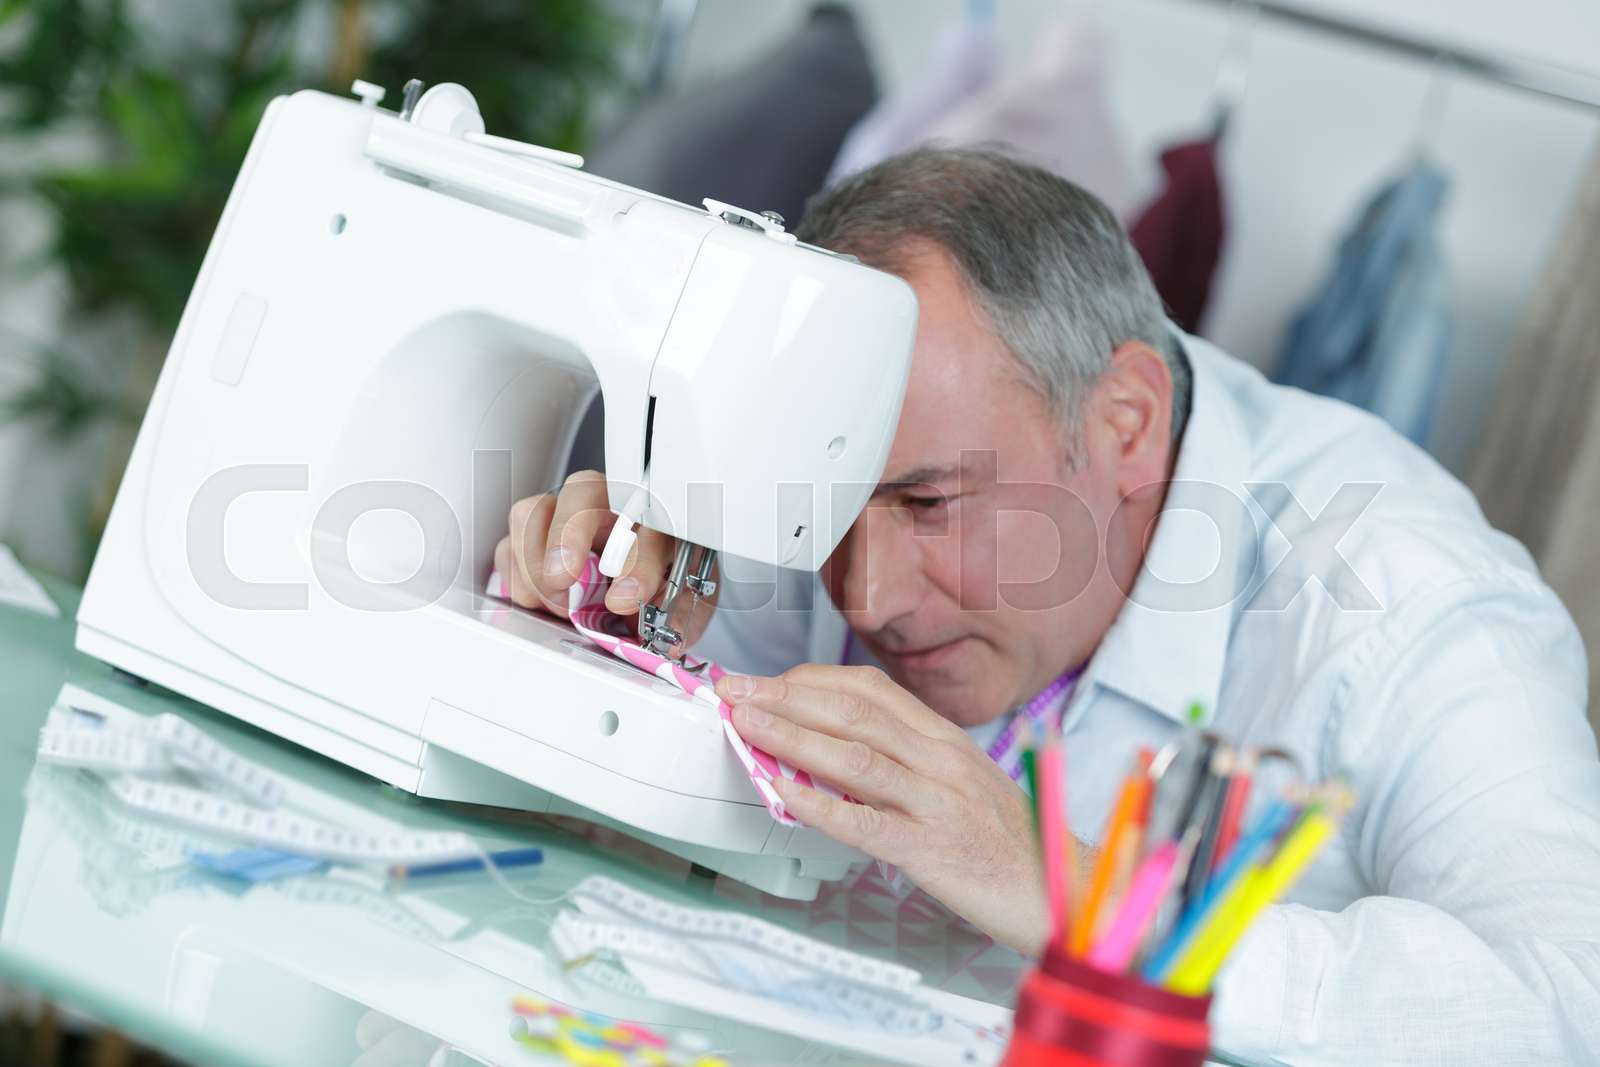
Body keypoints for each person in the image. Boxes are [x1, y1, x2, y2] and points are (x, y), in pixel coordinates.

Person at [493, 147, 1600, 1064]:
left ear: (1125, 424)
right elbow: (687, 746)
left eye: (931, 503)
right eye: (824, 513)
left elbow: (1566, 998)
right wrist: (606, 639)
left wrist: (1083, 901)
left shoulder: (1407, 607)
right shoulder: (855, 447)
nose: (866, 595)